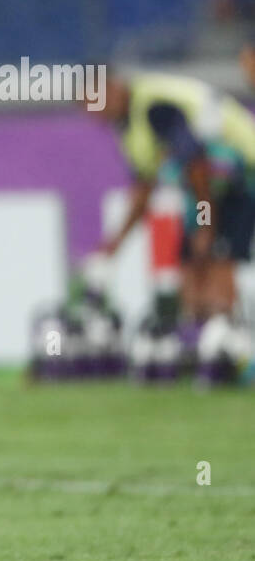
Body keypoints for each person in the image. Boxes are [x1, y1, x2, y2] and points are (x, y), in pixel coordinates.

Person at [86, 68, 255, 377]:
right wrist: (114, 243)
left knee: (217, 258)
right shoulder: (128, 126)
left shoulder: (154, 108)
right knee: (190, 262)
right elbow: (144, 189)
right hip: (209, 188)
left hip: (241, 173)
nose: (92, 111)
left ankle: (231, 353)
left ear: (113, 87)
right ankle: (205, 347)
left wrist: (205, 224)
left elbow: (197, 162)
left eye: (95, 98)